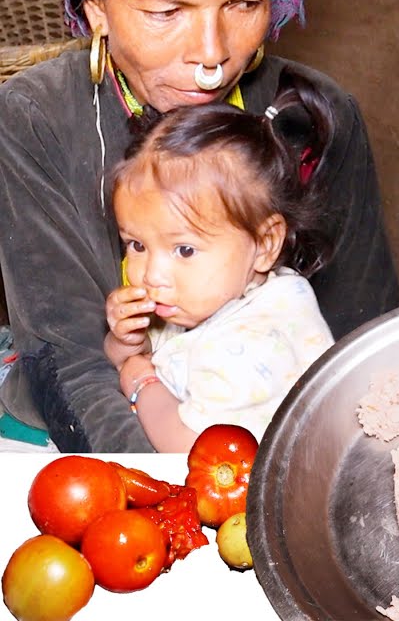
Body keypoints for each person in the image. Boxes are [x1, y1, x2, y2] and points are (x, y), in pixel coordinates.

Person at [0, 0, 399, 452]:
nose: (212, 54)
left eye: (245, 3)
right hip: (95, 428)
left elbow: (362, 340)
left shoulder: (315, 115)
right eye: (167, 12)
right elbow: (67, 359)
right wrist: (173, 497)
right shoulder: (33, 116)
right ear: (96, 8)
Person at [105, 75, 334, 451]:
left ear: (265, 243)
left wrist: (140, 383)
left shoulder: (251, 348)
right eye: (136, 244)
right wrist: (124, 341)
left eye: (184, 250)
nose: (152, 274)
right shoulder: (215, 290)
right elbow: (135, 353)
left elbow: (190, 451)